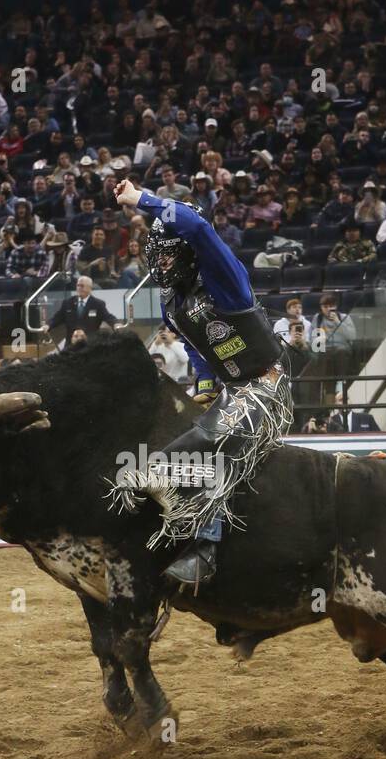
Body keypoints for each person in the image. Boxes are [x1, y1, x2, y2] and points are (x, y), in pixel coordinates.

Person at [110, 178, 291, 587]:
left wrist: (143, 200)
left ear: (189, 255)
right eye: (157, 256)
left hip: (266, 389)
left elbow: (197, 226)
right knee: (171, 447)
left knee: (213, 443)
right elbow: (196, 345)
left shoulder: (226, 278)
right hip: (232, 391)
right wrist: (206, 383)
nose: (161, 265)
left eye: (169, 256)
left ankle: (206, 549)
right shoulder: (171, 299)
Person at [48, 276, 117, 342]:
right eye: (78, 285)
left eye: (82, 286)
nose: (79, 288)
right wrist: (48, 325)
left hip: (89, 344)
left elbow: (108, 316)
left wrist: (116, 324)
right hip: (71, 344)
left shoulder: (98, 304)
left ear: (90, 288)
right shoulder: (68, 302)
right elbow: (57, 317)